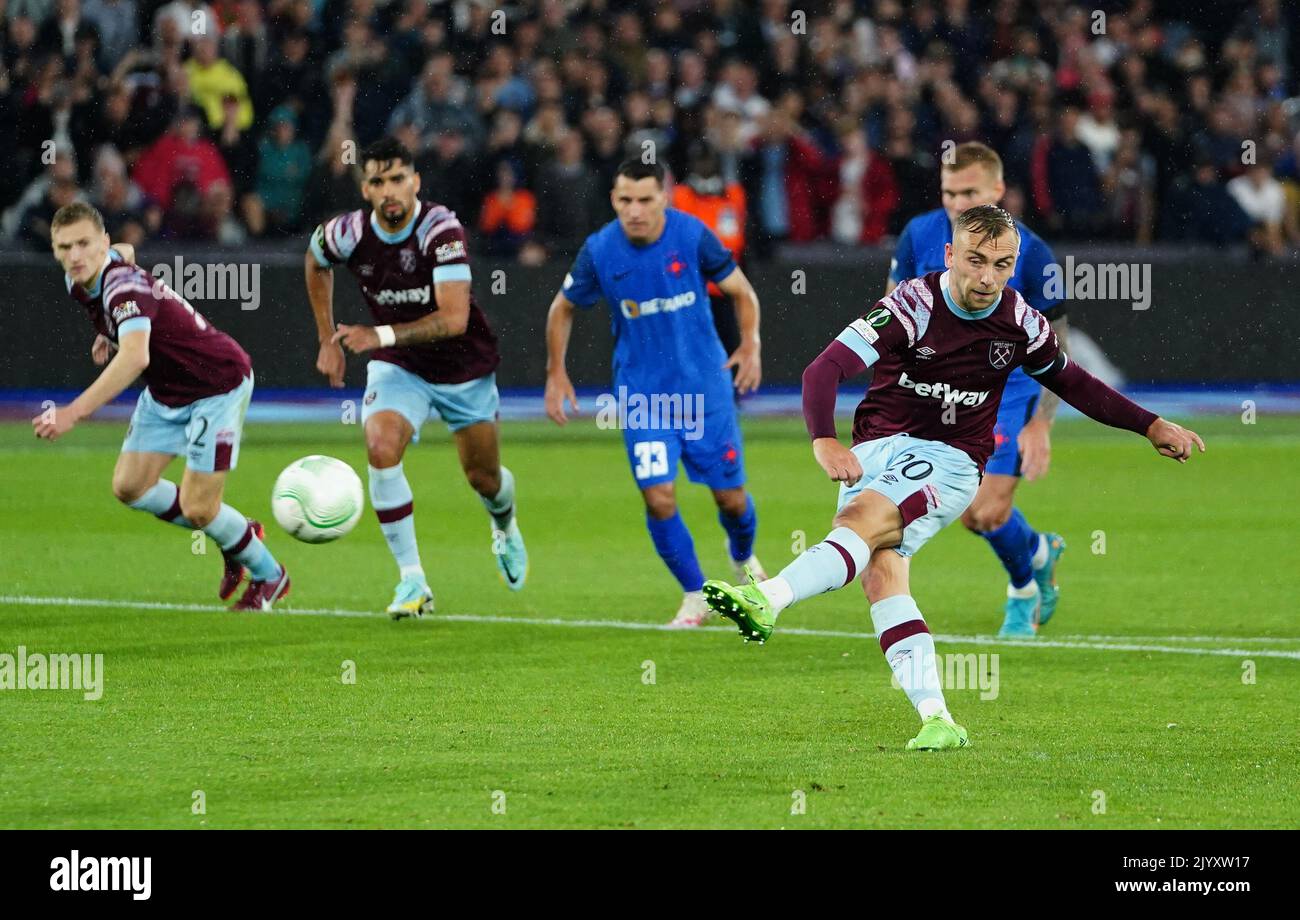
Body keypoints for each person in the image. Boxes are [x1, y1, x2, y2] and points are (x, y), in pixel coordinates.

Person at [703, 205, 1204, 750]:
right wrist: (823, 438)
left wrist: (1148, 424)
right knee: (882, 575)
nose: (987, 277)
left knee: (862, 519)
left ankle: (769, 598)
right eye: (975, 260)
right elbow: (823, 369)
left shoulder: (1020, 323)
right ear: (949, 256)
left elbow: (1075, 382)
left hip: (951, 459)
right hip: (877, 450)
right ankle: (938, 719)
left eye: (1002, 264)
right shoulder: (912, 305)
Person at [306, 138, 526, 619]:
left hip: (463, 368)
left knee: (484, 478)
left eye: (398, 179)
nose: (390, 190)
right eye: (378, 181)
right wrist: (327, 338)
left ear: (416, 182)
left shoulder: (440, 228)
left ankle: (504, 525)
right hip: (401, 365)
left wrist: (378, 332)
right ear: (365, 188)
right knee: (381, 447)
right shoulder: (347, 232)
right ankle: (412, 580)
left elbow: (453, 319)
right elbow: (314, 258)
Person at [544, 158, 765, 627]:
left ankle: (741, 551)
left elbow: (742, 292)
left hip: (706, 391)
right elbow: (562, 307)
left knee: (732, 501)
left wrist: (750, 345)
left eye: (645, 199)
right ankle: (694, 594)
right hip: (644, 398)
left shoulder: (693, 235)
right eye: (625, 200)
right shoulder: (600, 250)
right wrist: (556, 372)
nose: (635, 210)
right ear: (613, 200)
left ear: (664, 197)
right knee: (659, 497)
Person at [37, 202, 289, 610]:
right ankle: (236, 532)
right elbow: (127, 251)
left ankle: (269, 575)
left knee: (197, 507)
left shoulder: (124, 287)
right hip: (167, 390)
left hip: (217, 384)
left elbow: (136, 357)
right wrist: (108, 329)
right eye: (64, 247)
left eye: (84, 244)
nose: (75, 256)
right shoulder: (83, 277)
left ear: (101, 243)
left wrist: (72, 413)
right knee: (130, 487)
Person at [887, 141, 1067, 638]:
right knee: (970, 514)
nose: (957, 202)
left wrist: (1041, 421)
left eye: (969, 191)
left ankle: (1023, 592)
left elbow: (1058, 337)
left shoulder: (1032, 250)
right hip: (941, 387)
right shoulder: (919, 234)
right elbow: (893, 308)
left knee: (987, 509)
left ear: (997, 190)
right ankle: (1038, 552)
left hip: (1008, 388)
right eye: (949, 191)